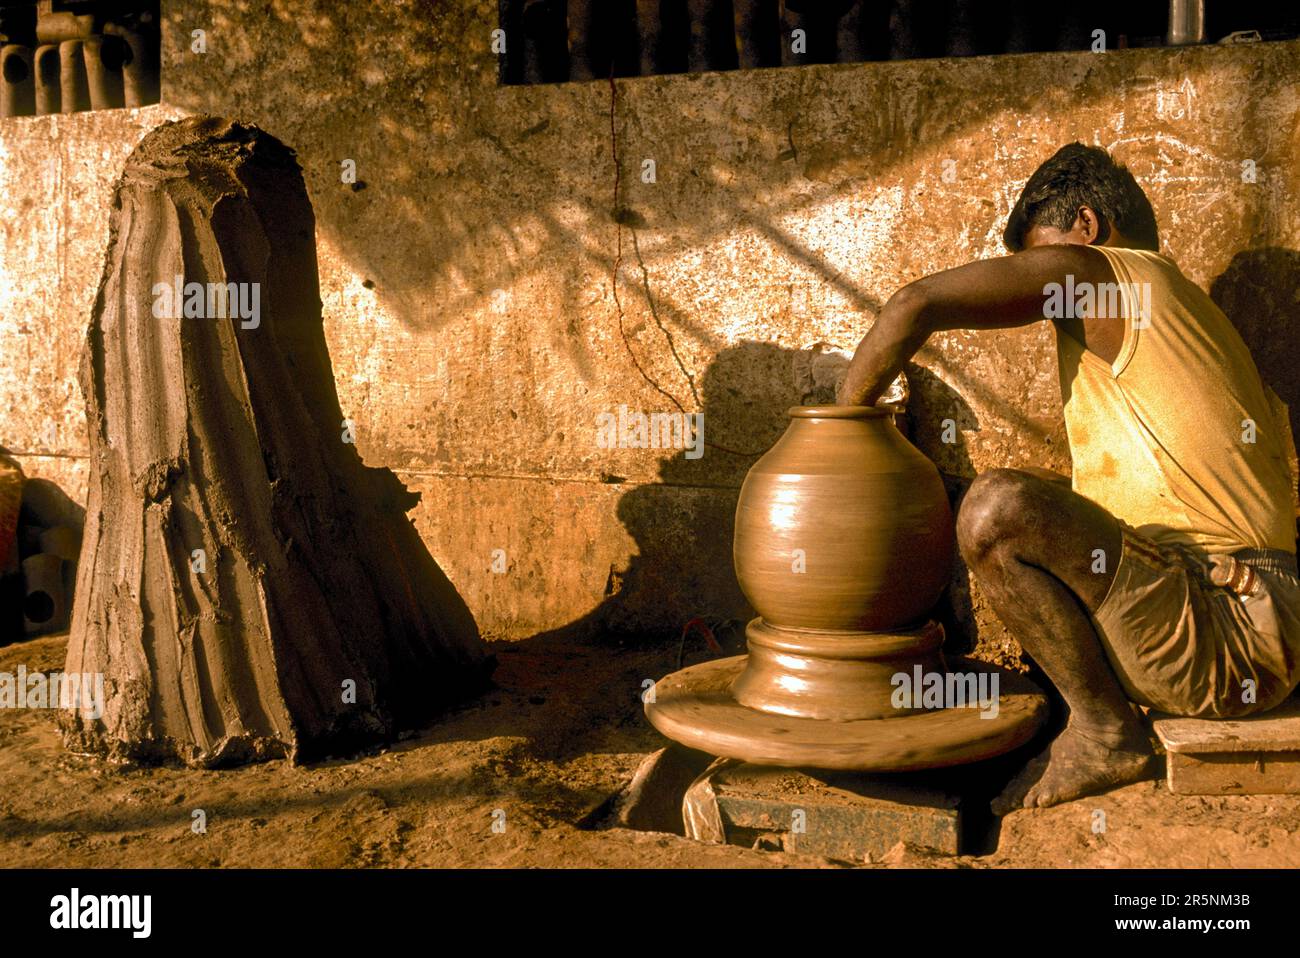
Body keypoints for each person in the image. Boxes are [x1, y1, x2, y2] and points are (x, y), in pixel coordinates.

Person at [837, 142, 1300, 811]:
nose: (1036, 284)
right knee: (1025, 494)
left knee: (997, 511)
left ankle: (1106, 733)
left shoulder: (1112, 275)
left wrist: (837, 421)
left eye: (1036, 258)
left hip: (1230, 630)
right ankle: (1088, 717)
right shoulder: (1172, 307)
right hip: (1241, 608)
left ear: (1084, 228)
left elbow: (916, 304)